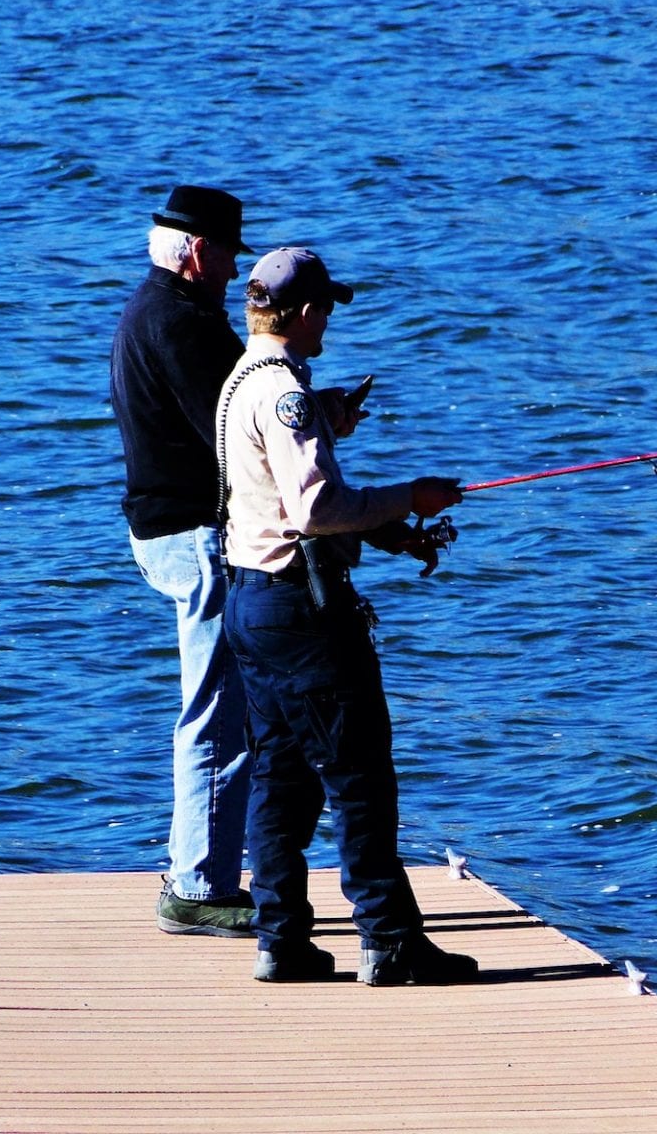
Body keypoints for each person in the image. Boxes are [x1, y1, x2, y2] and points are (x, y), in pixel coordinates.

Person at [216, 246, 481, 986]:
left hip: (252, 602)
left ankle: (283, 940)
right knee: (360, 776)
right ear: (303, 315)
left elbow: (279, 501)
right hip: (304, 614)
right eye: (326, 307)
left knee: (282, 777)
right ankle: (390, 940)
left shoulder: (243, 380)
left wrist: (388, 532)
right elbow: (315, 508)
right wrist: (411, 497)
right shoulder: (286, 396)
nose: (329, 318)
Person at [110, 185, 256, 937]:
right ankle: (197, 885)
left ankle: (200, 867)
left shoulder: (148, 309)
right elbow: (239, 437)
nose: (237, 269)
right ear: (199, 253)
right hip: (197, 537)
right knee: (215, 713)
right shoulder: (187, 326)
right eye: (230, 252)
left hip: (162, 530)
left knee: (221, 709)